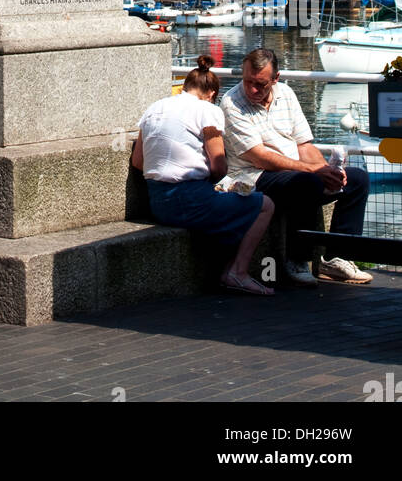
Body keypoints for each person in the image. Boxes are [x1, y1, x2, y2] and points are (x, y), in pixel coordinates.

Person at [221, 48, 372, 286]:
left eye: (260, 84)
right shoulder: (231, 103)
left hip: (294, 169)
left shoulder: (287, 94)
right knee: (306, 182)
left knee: (358, 179)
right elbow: (259, 157)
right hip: (254, 175)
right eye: (248, 81)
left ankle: (337, 258)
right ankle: (297, 258)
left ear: (275, 79)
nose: (252, 90)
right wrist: (314, 171)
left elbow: (304, 144)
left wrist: (328, 171)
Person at [132, 56, 276, 296]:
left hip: (157, 201)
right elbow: (219, 166)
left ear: (186, 86)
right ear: (211, 94)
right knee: (265, 205)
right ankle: (237, 273)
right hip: (189, 200)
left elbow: (138, 162)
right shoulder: (208, 110)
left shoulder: (153, 108)